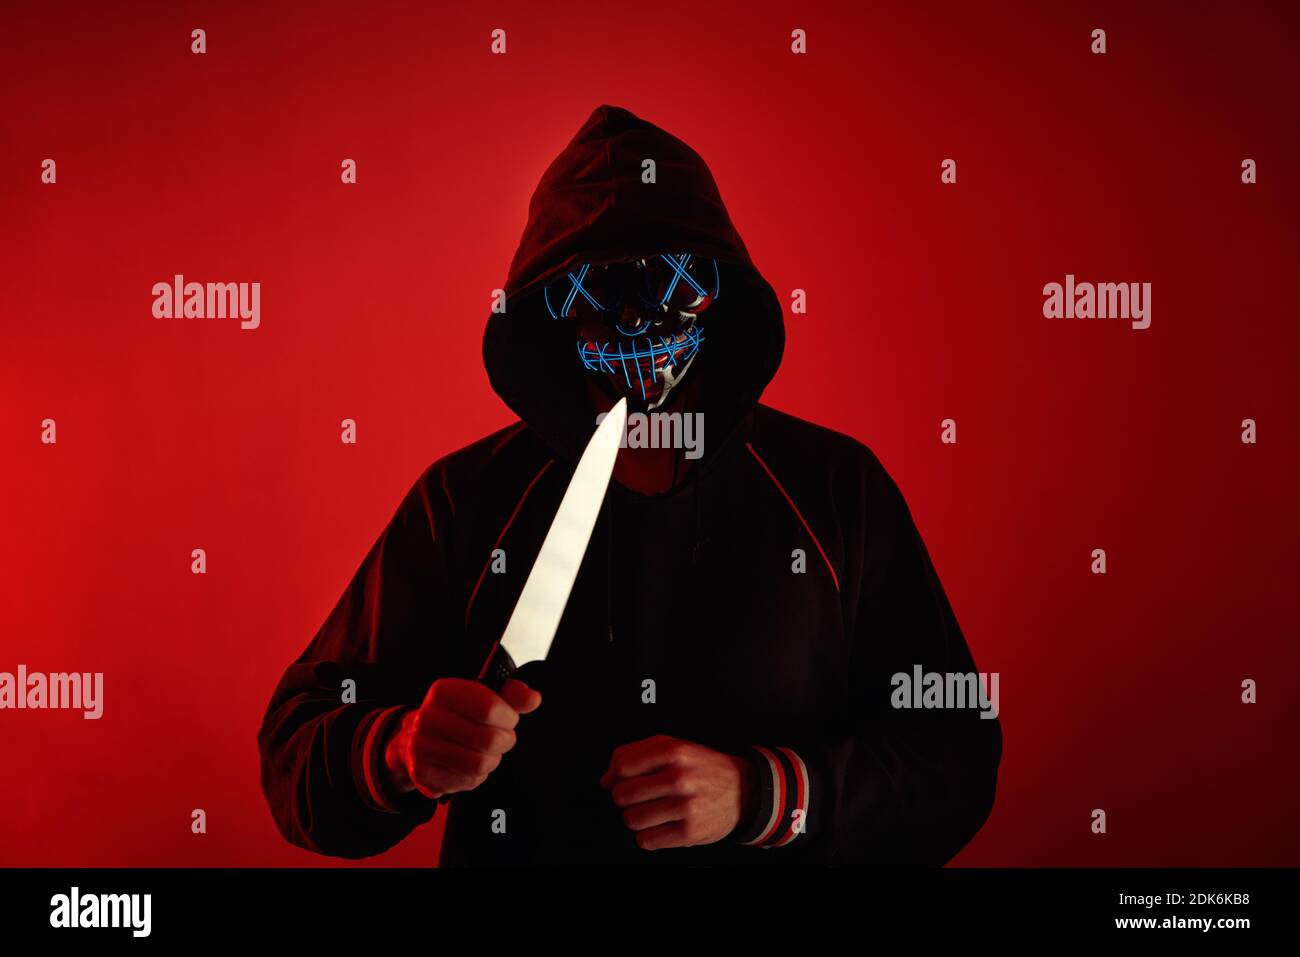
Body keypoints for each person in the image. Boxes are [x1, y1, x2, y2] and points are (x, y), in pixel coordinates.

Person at [257, 104, 1002, 866]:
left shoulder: (837, 492)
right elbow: (293, 752)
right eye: (601, 288)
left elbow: (955, 755)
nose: (639, 318)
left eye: (669, 279)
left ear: (720, 288)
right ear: (549, 305)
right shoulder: (466, 501)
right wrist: (396, 749)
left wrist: (765, 793)